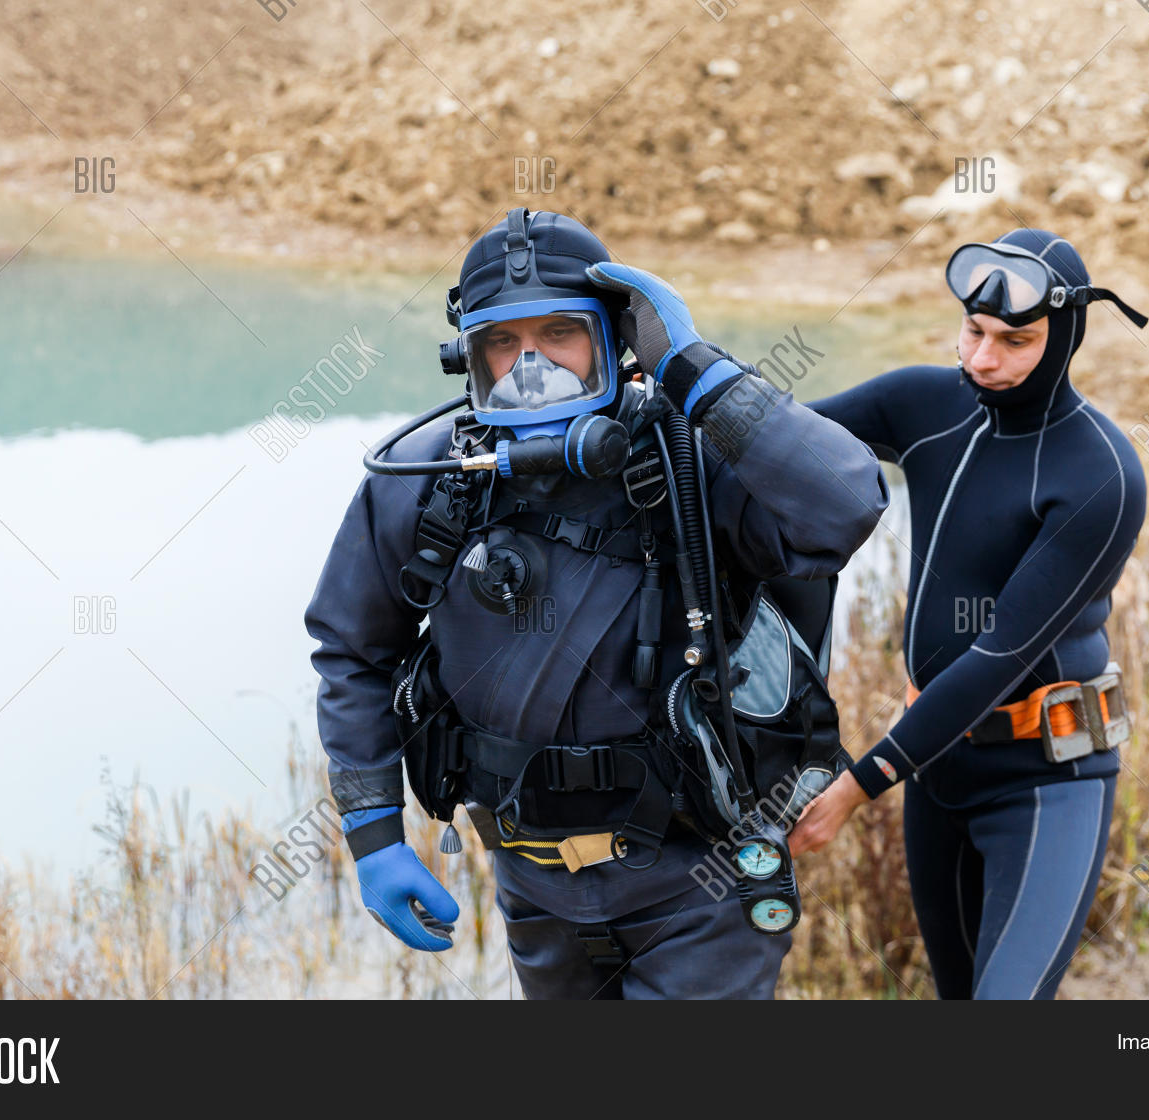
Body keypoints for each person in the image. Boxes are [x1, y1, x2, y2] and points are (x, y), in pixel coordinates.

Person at [305, 207, 887, 999]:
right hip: (532, 892)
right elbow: (352, 650)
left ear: (615, 342)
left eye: (559, 335)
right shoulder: (428, 480)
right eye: (503, 344)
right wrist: (373, 836)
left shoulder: (692, 457)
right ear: (468, 357)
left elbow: (846, 502)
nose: (530, 366)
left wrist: (696, 371)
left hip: (701, 884)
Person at [792, 229, 1148, 1000]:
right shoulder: (923, 403)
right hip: (939, 769)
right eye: (973, 331)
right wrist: (667, 376)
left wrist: (858, 785)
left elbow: (997, 656)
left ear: (1064, 339)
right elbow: (776, 440)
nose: (982, 359)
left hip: (1048, 781)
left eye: (1015, 340)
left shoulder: (1101, 474)